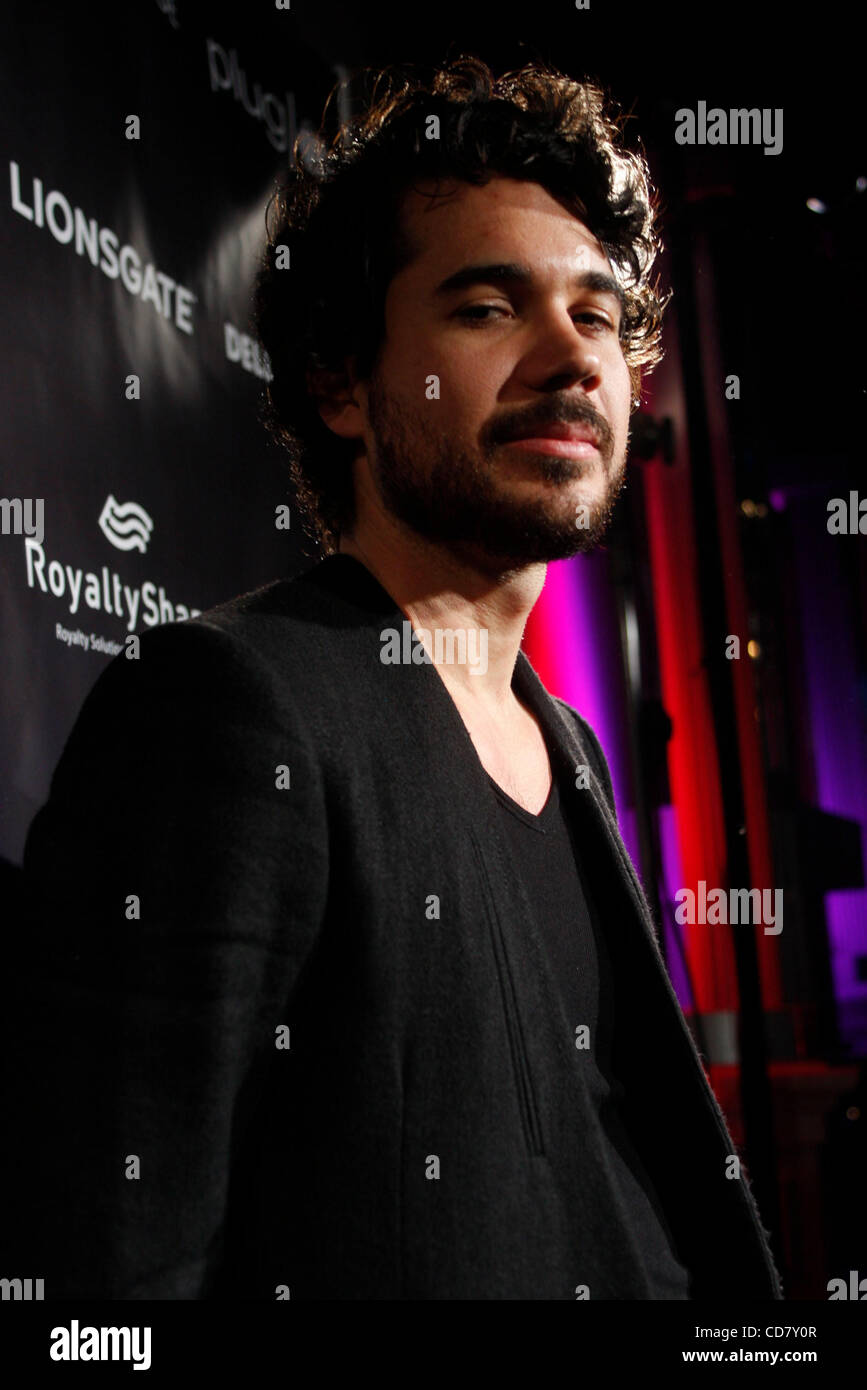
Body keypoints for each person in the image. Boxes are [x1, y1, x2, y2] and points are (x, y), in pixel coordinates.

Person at [9, 55, 783, 1300]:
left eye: (594, 314)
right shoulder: (228, 706)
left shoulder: (571, 743)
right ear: (342, 383)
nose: (569, 357)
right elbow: (107, 1262)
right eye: (487, 308)